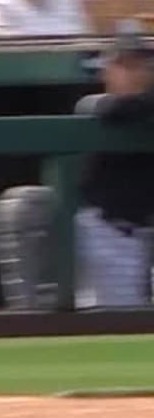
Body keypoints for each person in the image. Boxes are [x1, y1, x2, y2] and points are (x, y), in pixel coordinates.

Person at [75, 30, 153, 307]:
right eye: (124, 66)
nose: (134, 74)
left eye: (140, 66)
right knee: (113, 319)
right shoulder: (95, 105)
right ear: (107, 72)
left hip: (143, 233)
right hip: (108, 233)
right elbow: (116, 111)